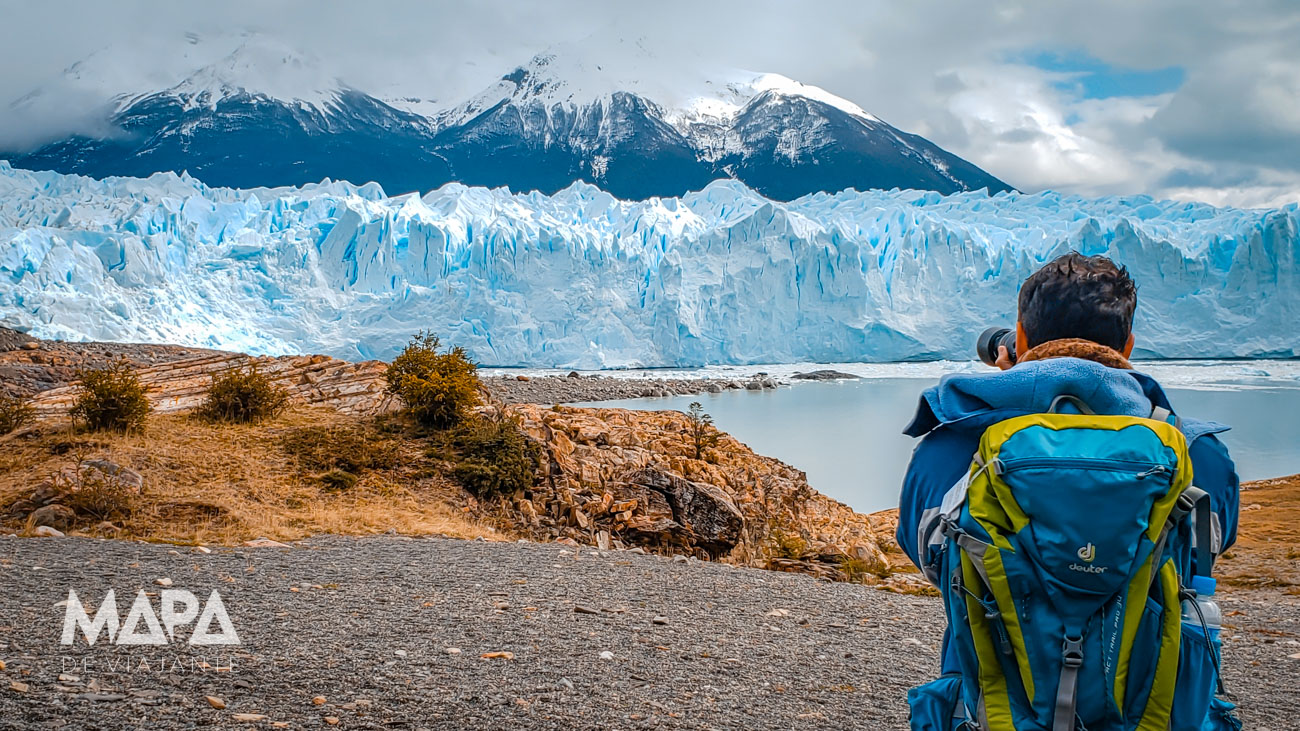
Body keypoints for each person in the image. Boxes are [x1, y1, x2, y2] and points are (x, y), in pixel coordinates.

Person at [897, 251, 1239, 684]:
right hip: (1152, 702)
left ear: (1019, 339)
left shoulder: (955, 443)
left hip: (994, 699)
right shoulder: (1196, 453)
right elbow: (1205, 551)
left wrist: (1013, 404)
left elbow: (927, 553)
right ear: (1128, 345)